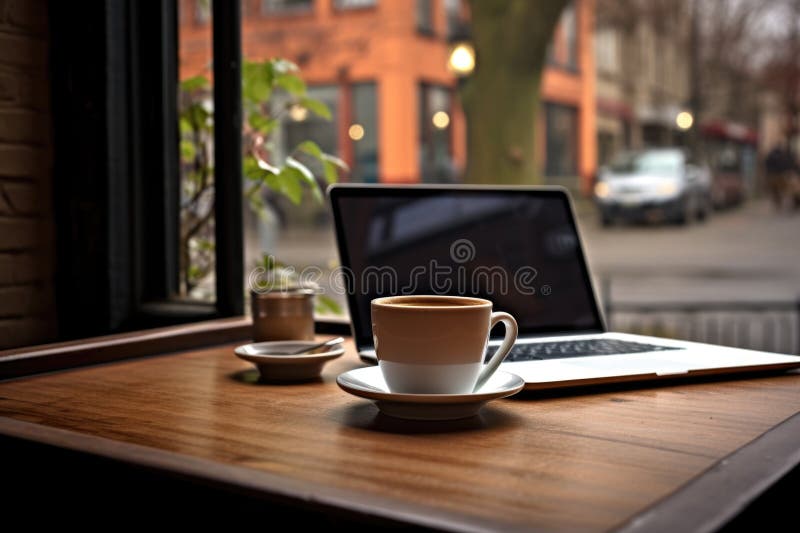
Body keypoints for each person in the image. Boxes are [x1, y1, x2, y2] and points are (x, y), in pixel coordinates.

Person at [764, 143, 794, 209]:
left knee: (775, 190)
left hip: (772, 174)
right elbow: (786, 164)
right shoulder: (782, 155)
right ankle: (780, 202)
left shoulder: (770, 155)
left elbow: (766, 164)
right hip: (780, 174)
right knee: (782, 189)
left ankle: (777, 202)